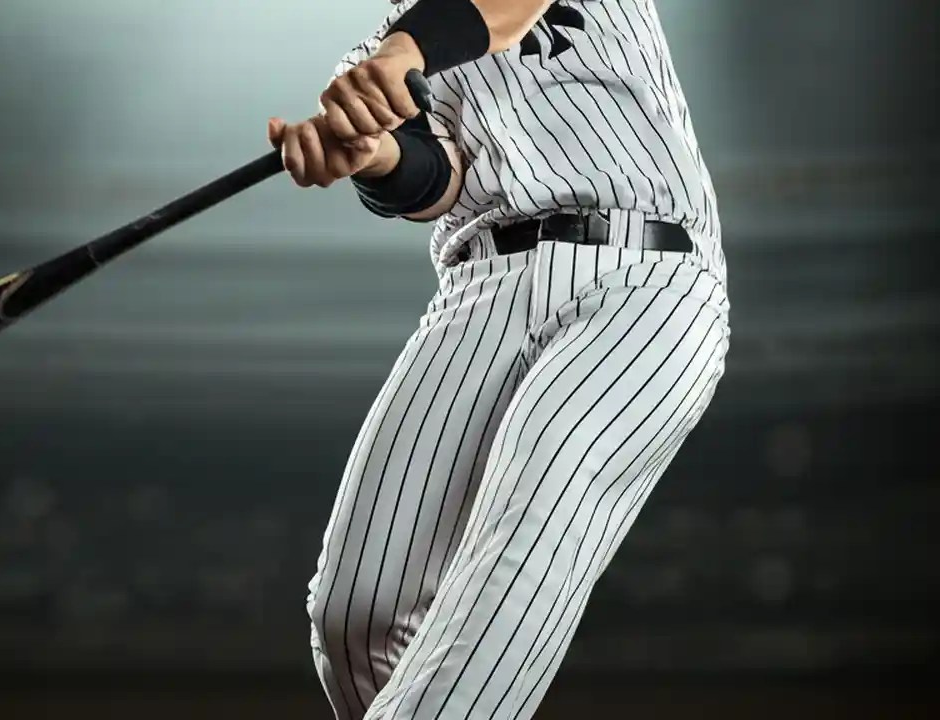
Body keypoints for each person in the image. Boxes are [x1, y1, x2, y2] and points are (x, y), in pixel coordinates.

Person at [267, 1, 730, 717]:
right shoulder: (379, 50)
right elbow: (436, 179)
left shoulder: (403, 43)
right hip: (481, 282)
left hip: (642, 268)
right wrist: (372, 152)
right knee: (357, 613)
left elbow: (499, 13)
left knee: (521, 547)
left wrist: (400, 55)